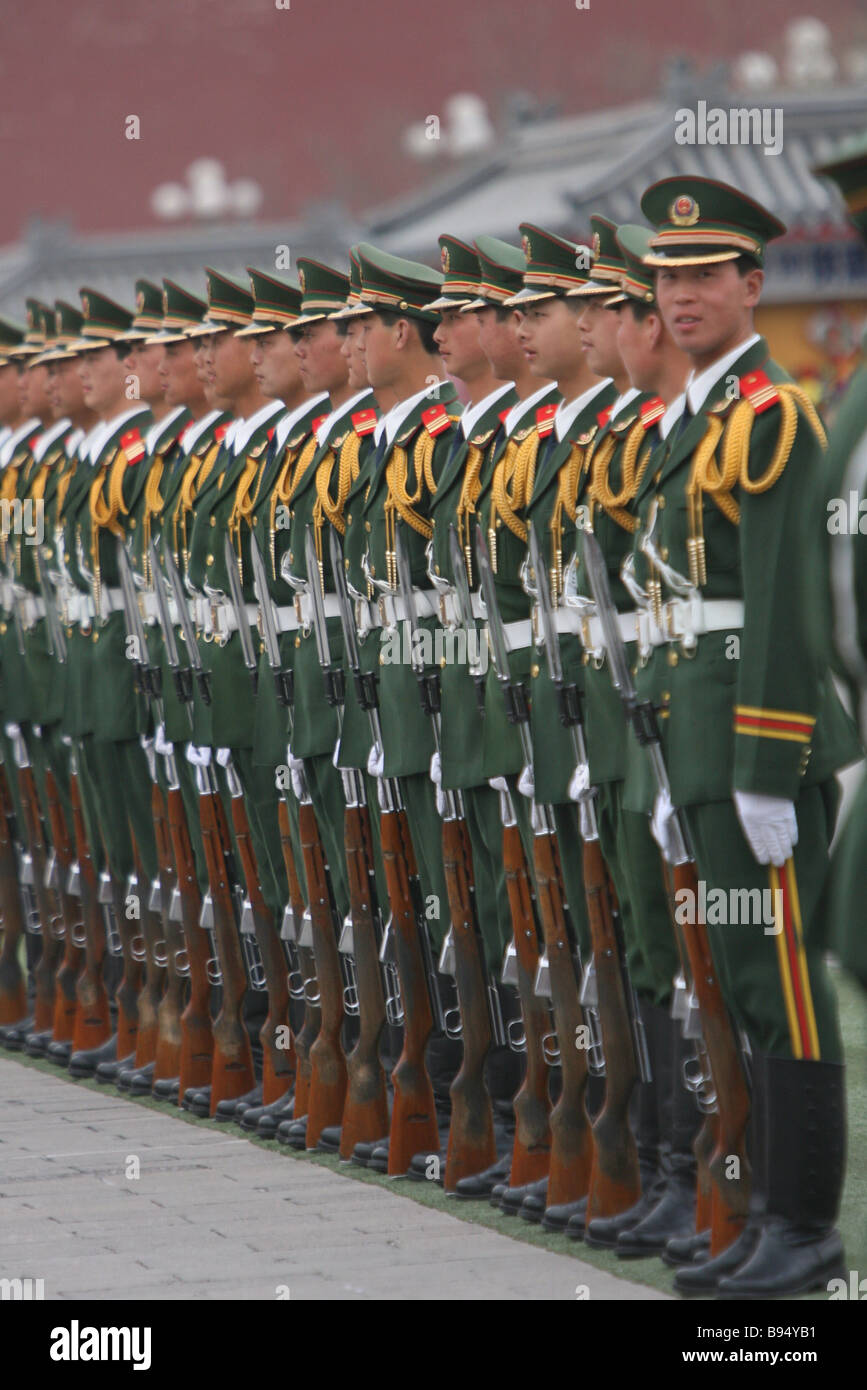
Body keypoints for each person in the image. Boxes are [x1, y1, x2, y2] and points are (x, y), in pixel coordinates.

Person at [630, 176, 861, 1297]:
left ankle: (805, 1228)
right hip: (697, 730)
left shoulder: (771, 414)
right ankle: (759, 1218)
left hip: (755, 737)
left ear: (752, 287)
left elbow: (779, 602)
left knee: (781, 983)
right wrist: (671, 758)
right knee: (726, 975)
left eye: (703, 277)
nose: (681, 295)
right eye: (667, 279)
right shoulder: (693, 419)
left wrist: (767, 767)